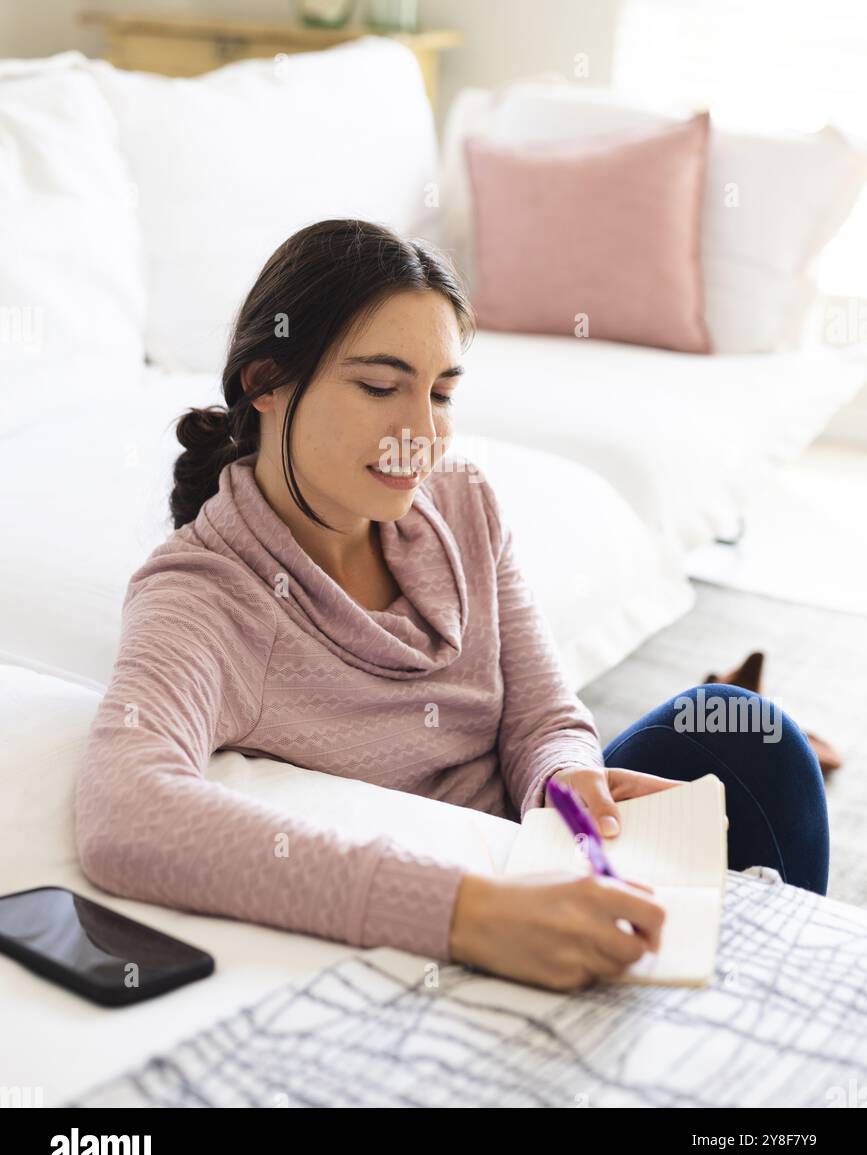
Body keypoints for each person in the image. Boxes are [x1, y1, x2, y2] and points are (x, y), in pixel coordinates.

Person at [74, 218, 830, 992]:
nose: (419, 434)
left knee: (747, 732)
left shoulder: (462, 504)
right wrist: (468, 914)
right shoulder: (206, 596)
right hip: (439, 916)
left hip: (537, 854)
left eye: (440, 393)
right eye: (378, 386)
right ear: (265, 381)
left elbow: (541, 715)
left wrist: (564, 781)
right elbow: (124, 811)